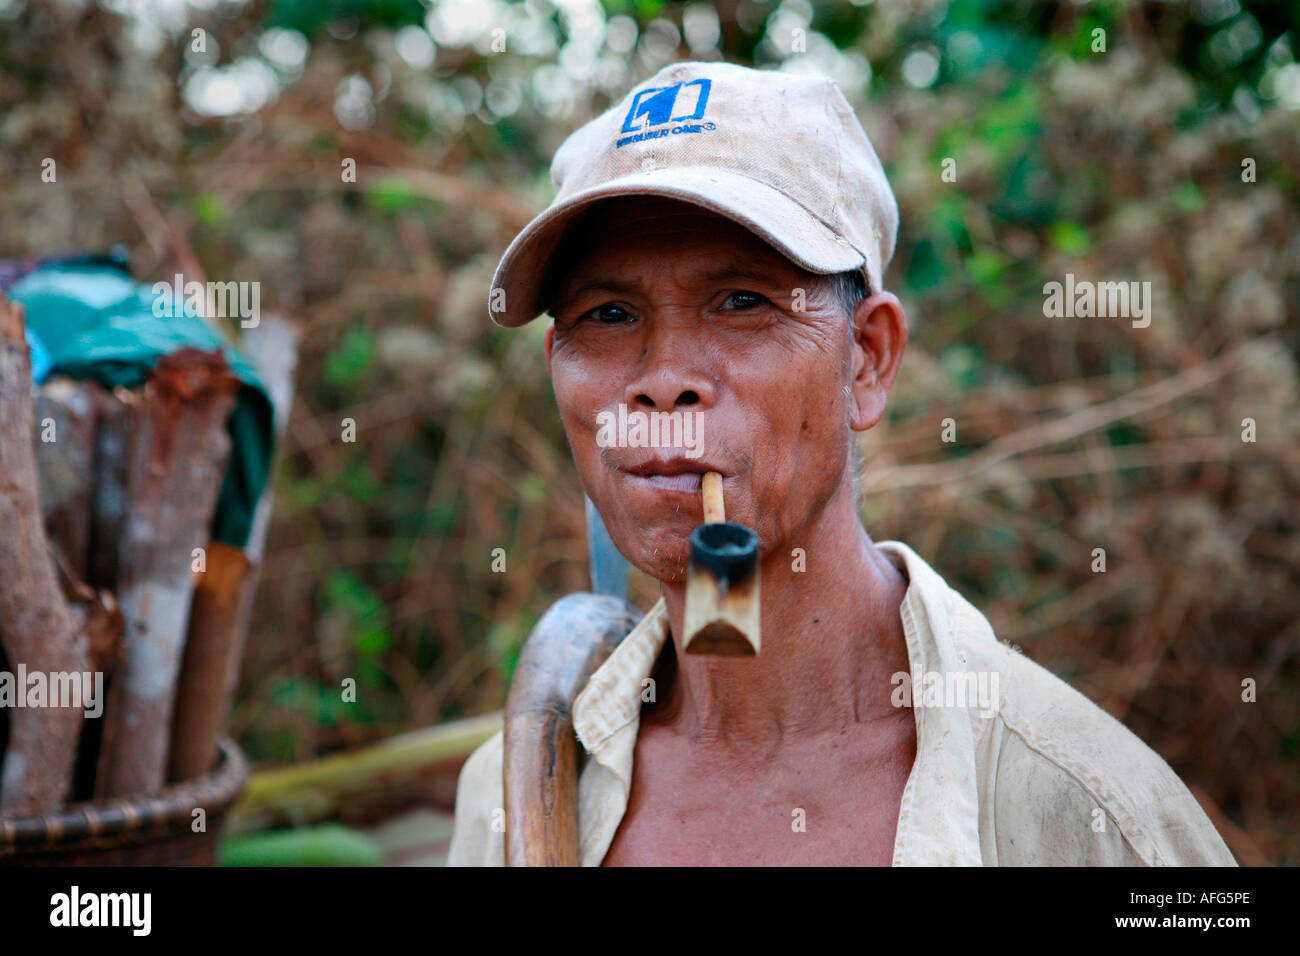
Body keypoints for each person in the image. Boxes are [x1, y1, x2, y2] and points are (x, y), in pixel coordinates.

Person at [448, 60, 1235, 866]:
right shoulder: (510, 806)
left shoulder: (1086, 814)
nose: (662, 382)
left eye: (743, 302)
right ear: (555, 365)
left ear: (867, 359)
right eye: (607, 315)